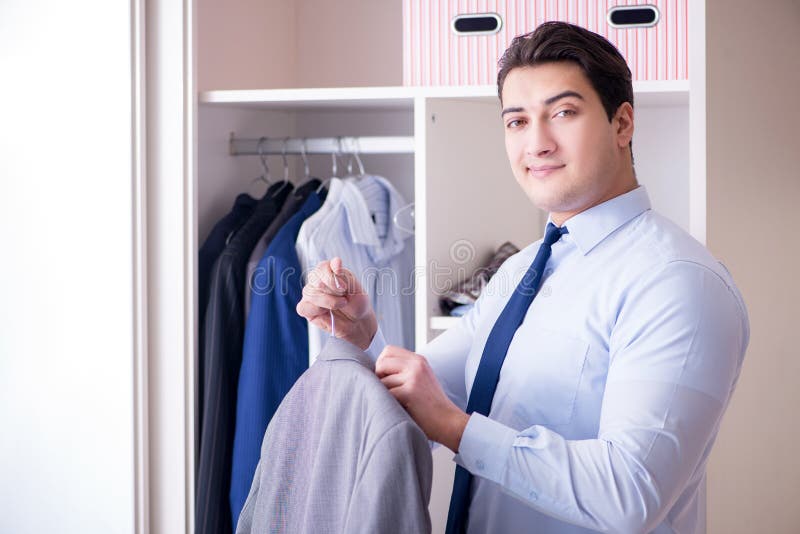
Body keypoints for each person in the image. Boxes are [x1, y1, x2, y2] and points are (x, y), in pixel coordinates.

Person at [296, 21, 749, 534]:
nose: (537, 143)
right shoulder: (517, 273)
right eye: (517, 121)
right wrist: (364, 338)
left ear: (622, 124)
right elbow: (418, 401)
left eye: (563, 113)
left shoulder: (678, 283)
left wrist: (457, 429)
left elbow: (630, 493)